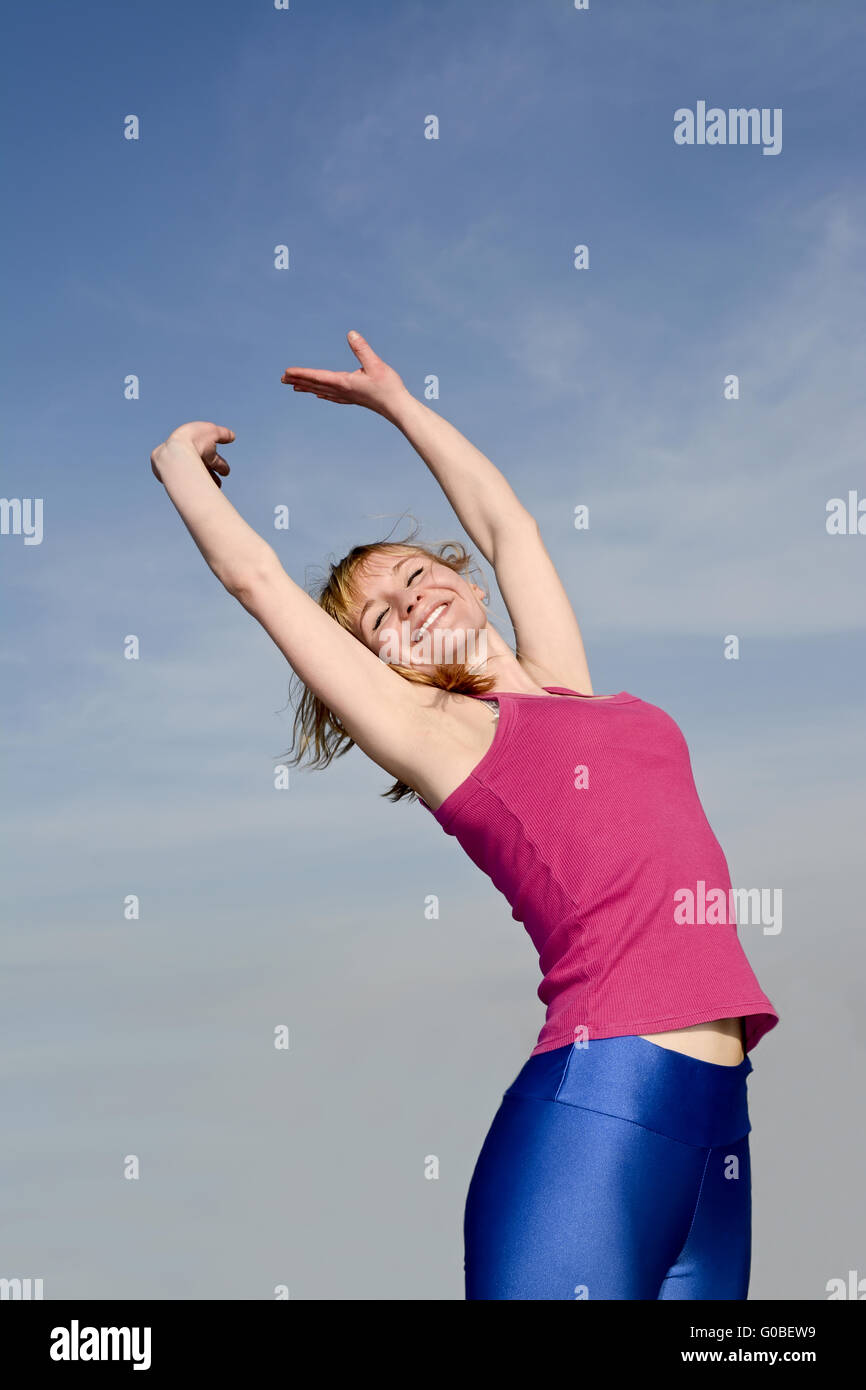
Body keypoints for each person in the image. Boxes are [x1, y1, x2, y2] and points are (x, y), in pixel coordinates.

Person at [150, 330, 779, 1300]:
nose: (409, 600)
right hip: (595, 1114)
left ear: (464, 579)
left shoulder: (569, 692)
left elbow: (509, 524)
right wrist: (179, 472)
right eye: (380, 621)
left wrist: (398, 404)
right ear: (381, 667)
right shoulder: (442, 734)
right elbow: (260, 583)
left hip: (717, 1137)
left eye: (414, 574)